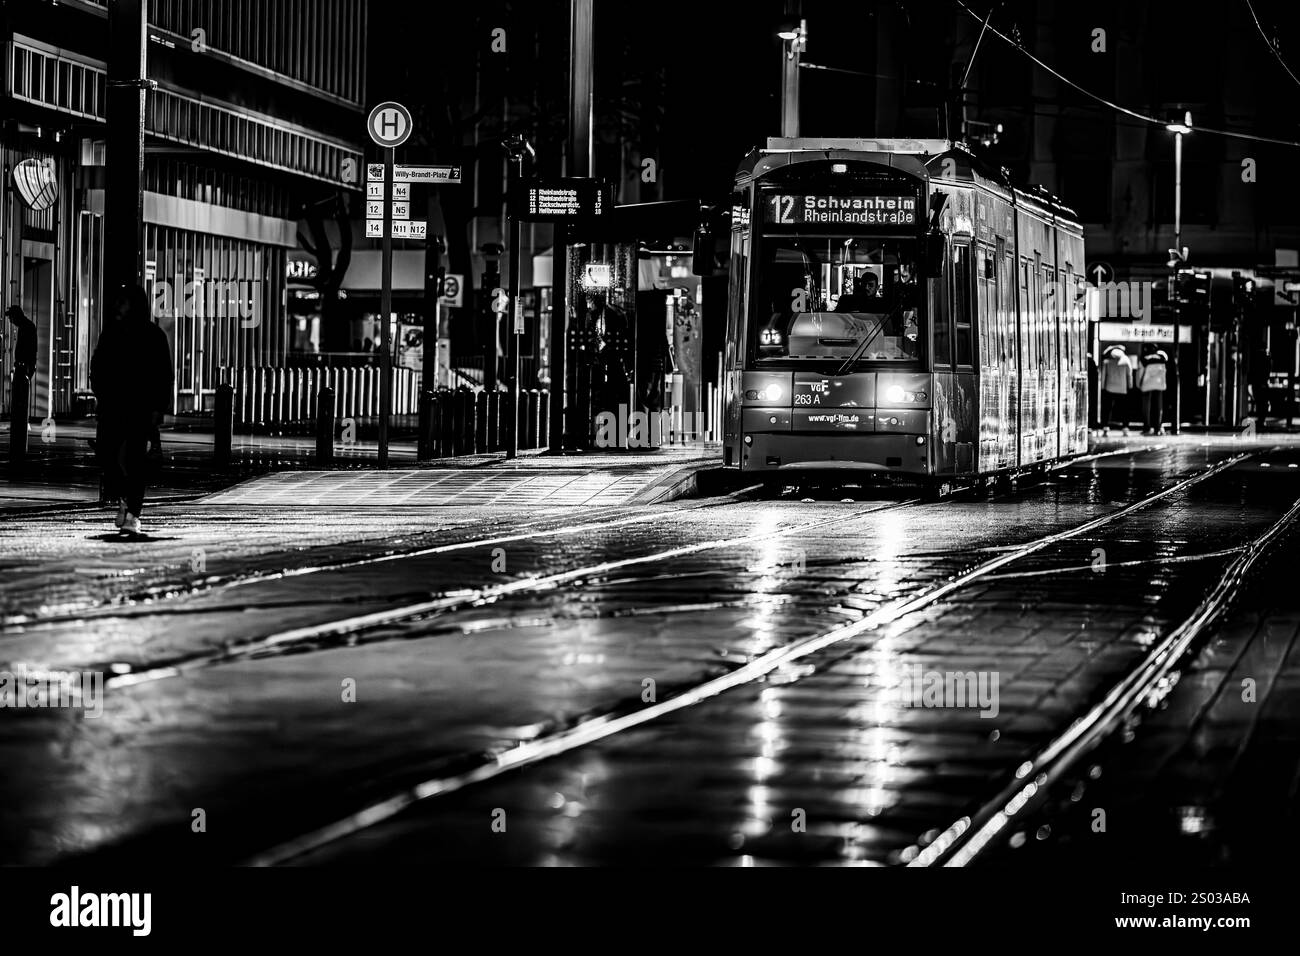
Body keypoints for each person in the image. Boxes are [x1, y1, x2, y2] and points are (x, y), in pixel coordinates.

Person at [91, 284, 173, 535]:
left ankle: (132, 511)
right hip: (114, 405)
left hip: (138, 408)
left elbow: (163, 374)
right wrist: (101, 392)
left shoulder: (152, 335)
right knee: (106, 454)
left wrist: (158, 407)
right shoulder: (112, 334)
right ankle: (125, 499)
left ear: (134, 305)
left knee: (134, 460)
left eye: (123, 302)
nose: (118, 307)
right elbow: (98, 368)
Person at [4, 305, 38, 461]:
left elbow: (30, 351)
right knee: (20, 403)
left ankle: (18, 440)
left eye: (11, 317)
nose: (10, 321)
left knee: (20, 402)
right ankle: (19, 436)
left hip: (23, 368)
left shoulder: (27, 328)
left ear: (16, 316)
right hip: (24, 367)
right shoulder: (26, 326)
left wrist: (26, 369)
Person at [1134, 343, 1169, 435]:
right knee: (1158, 406)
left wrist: (1138, 385)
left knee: (1146, 406)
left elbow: (1140, 373)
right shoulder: (1162, 359)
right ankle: (1157, 427)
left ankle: (1147, 427)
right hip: (1159, 385)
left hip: (1147, 384)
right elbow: (1164, 373)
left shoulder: (1144, 359)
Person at [1098, 344, 1133, 435]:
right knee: (1124, 409)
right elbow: (1129, 375)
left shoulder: (1107, 361)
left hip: (1109, 388)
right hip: (1122, 389)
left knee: (1107, 408)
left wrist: (1102, 387)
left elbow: (1103, 376)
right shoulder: (1126, 360)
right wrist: (1130, 386)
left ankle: (1105, 426)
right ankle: (1125, 427)